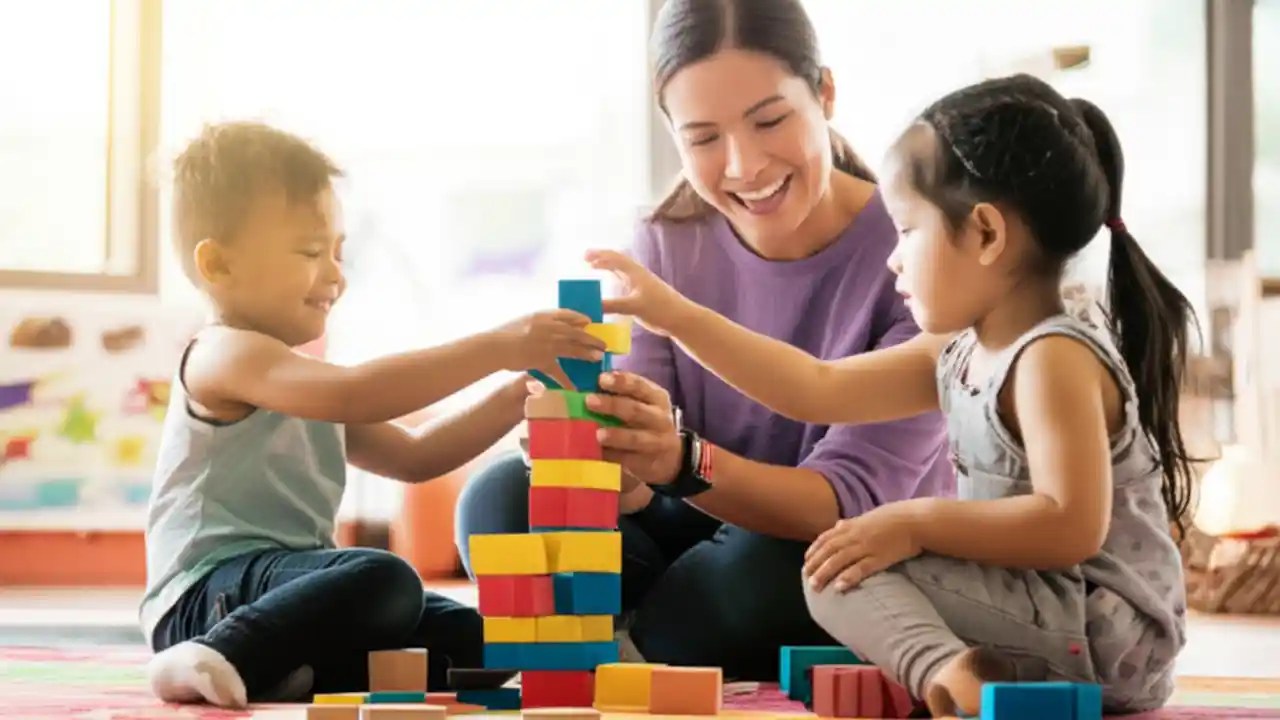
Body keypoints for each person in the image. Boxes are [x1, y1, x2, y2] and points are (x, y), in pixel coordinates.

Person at [585, 72, 1195, 716]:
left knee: (849, 568)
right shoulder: (959, 350)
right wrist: (672, 313)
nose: (893, 260)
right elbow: (813, 387)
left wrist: (912, 521)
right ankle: (956, 674)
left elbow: (1069, 526)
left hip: (1106, 634)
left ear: (985, 234)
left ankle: (944, 675)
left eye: (908, 232)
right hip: (1038, 609)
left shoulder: (1053, 358)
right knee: (834, 569)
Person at [454, 0, 951, 680]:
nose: (744, 165)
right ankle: (639, 643)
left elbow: (838, 503)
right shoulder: (665, 240)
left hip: (822, 547)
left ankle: (618, 658)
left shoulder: (916, 255)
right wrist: (603, 454)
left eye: (770, 121)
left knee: (788, 565)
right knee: (499, 498)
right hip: (694, 530)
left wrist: (675, 461)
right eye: (703, 138)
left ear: (825, 94)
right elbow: (645, 481)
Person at [142, 121, 606, 708]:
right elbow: (358, 392)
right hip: (207, 597)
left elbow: (416, 457)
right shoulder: (224, 352)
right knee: (385, 579)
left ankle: (290, 669)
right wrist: (500, 344)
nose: (336, 274)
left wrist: (519, 394)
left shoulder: (302, 381)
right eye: (311, 252)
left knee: (481, 640)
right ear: (219, 266)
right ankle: (222, 653)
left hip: (294, 585)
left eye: (338, 251)